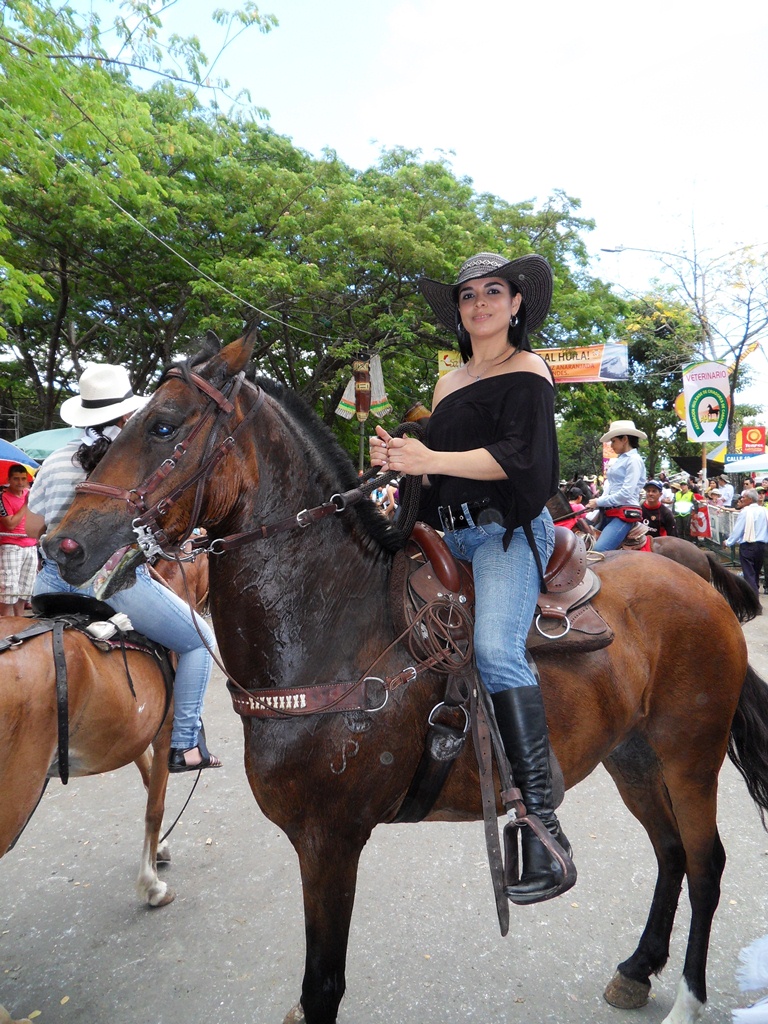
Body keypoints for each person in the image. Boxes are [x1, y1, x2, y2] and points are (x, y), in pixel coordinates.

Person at [370, 250, 571, 905]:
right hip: (444, 530)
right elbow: (439, 474)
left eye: (493, 291)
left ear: (516, 304)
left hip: (504, 529)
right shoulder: (446, 385)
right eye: (467, 295)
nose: (479, 303)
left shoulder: (529, 370)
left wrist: (430, 454)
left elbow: (521, 460)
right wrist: (403, 461)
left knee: (494, 648)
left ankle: (541, 823)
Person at [26, 363, 221, 772]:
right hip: (110, 582)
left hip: (49, 582)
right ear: (127, 413)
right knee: (199, 640)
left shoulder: (55, 460)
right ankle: (186, 745)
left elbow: (31, 529)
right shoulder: (136, 460)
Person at [584, 420, 647, 552]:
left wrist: (598, 502)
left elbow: (626, 494)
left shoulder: (634, 460)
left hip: (624, 514)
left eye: (613, 441)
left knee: (598, 551)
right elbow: (611, 488)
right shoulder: (621, 459)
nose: (611, 445)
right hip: (610, 512)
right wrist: (598, 503)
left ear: (624, 439)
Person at [0, 463, 38, 616]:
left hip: (30, 544)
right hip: (11, 545)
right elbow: (10, 524)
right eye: (16, 479)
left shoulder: (29, 494)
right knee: (9, 588)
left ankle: (20, 620)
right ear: (9, 479)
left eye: (23, 479)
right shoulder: (3, 497)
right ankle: (6, 623)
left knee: (25, 588)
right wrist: (26, 504)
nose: (20, 482)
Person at [724, 488, 768, 595]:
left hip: (748, 546)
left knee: (749, 575)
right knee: (755, 573)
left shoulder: (746, 512)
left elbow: (737, 530)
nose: (741, 499)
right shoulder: (764, 511)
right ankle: (754, 596)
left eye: (743, 497)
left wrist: (728, 542)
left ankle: (753, 599)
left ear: (750, 499)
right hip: (762, 547)